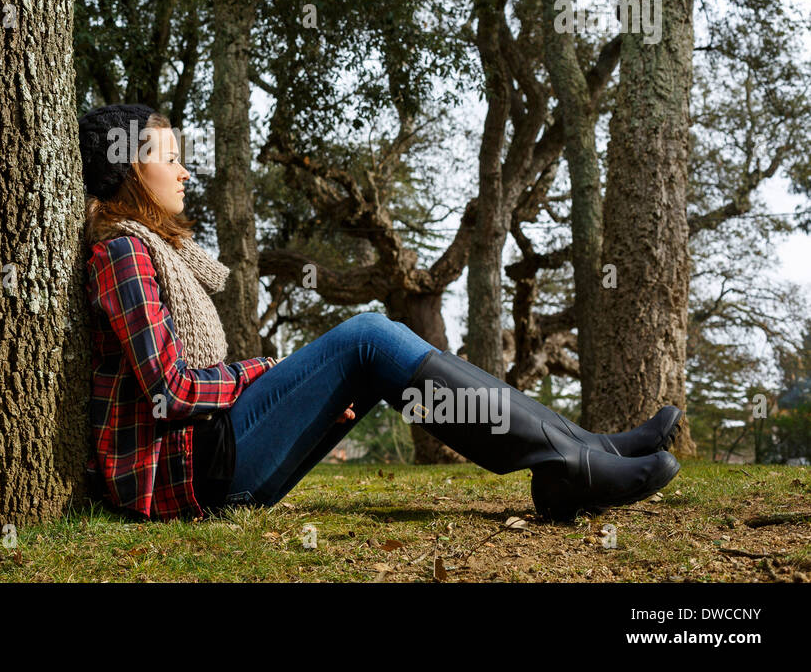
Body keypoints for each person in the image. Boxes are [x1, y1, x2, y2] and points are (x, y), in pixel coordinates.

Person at [78, 102, 683, 523]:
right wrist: (268, 372)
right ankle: (567, 461)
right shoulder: (124, 250)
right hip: (188, 476)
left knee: (374, 354)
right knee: (366, 334)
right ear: (131, 167)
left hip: (210, 462)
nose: (185, 172)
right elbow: (171, 391)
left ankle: (582, 450)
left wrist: (300, 397)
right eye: (170, 159)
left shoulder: (158, 251)